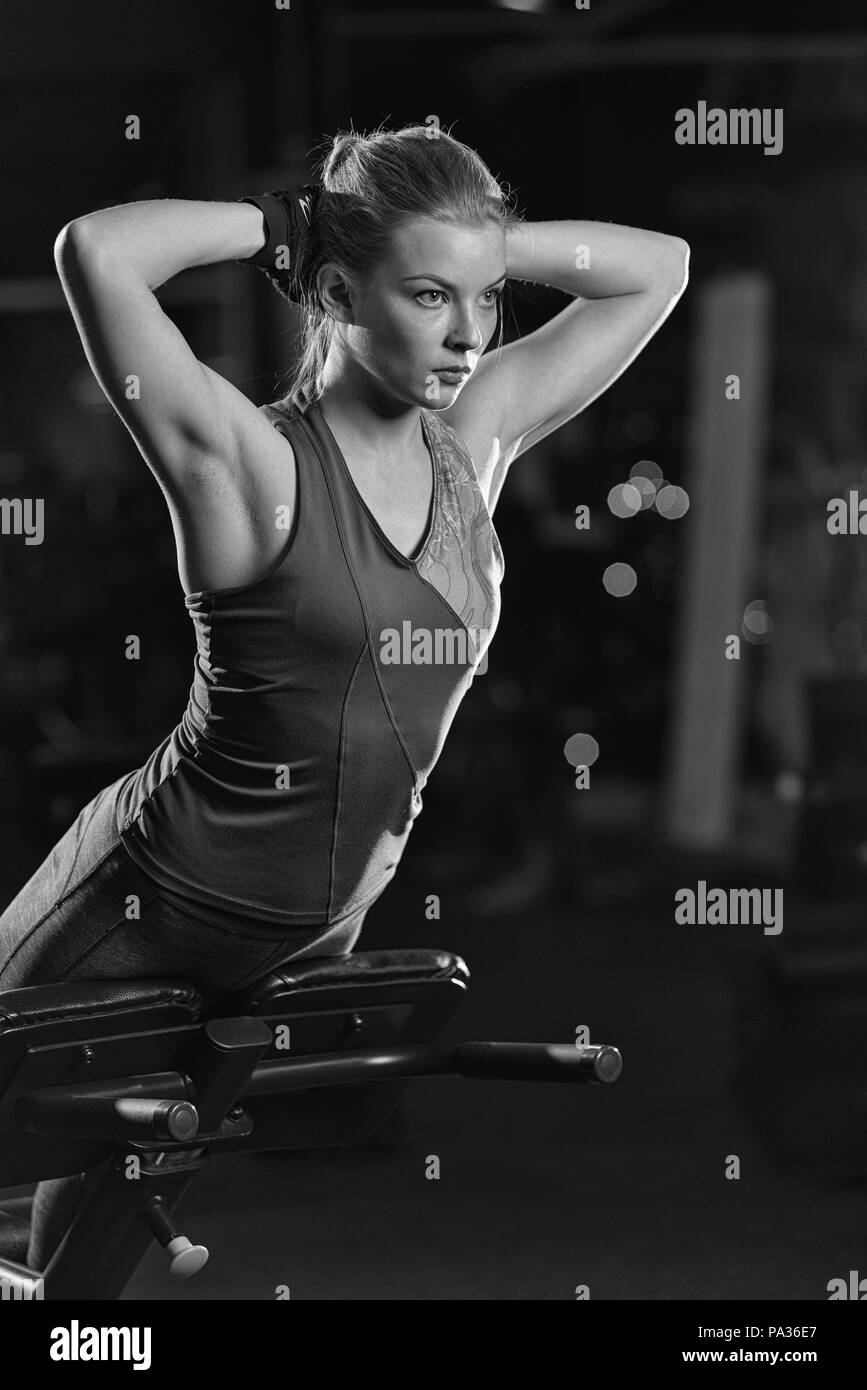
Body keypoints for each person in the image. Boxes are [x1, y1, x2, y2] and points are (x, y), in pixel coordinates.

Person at [0, 122, 689, 1273]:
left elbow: (658, 267)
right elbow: (99, 254)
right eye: (428, 296)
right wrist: (289, 221)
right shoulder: (253, 470)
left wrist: (472, 246)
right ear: (332, 289)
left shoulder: (472, 453)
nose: (471, 334)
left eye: (487, 298)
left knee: (113, 1195)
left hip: (308, 938)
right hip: (140, 906)